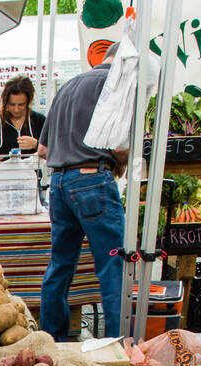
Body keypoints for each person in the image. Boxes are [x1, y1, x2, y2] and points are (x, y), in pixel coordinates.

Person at [36, 43, 129, 339]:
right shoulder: (114, 83)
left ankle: (52, 340)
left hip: (59, 184)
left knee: (60, 266)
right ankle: (119, 345)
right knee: (113, 265)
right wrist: (126, 158)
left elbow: (42, 149)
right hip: (92, 180)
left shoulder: (69, 85)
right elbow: (118, 147)